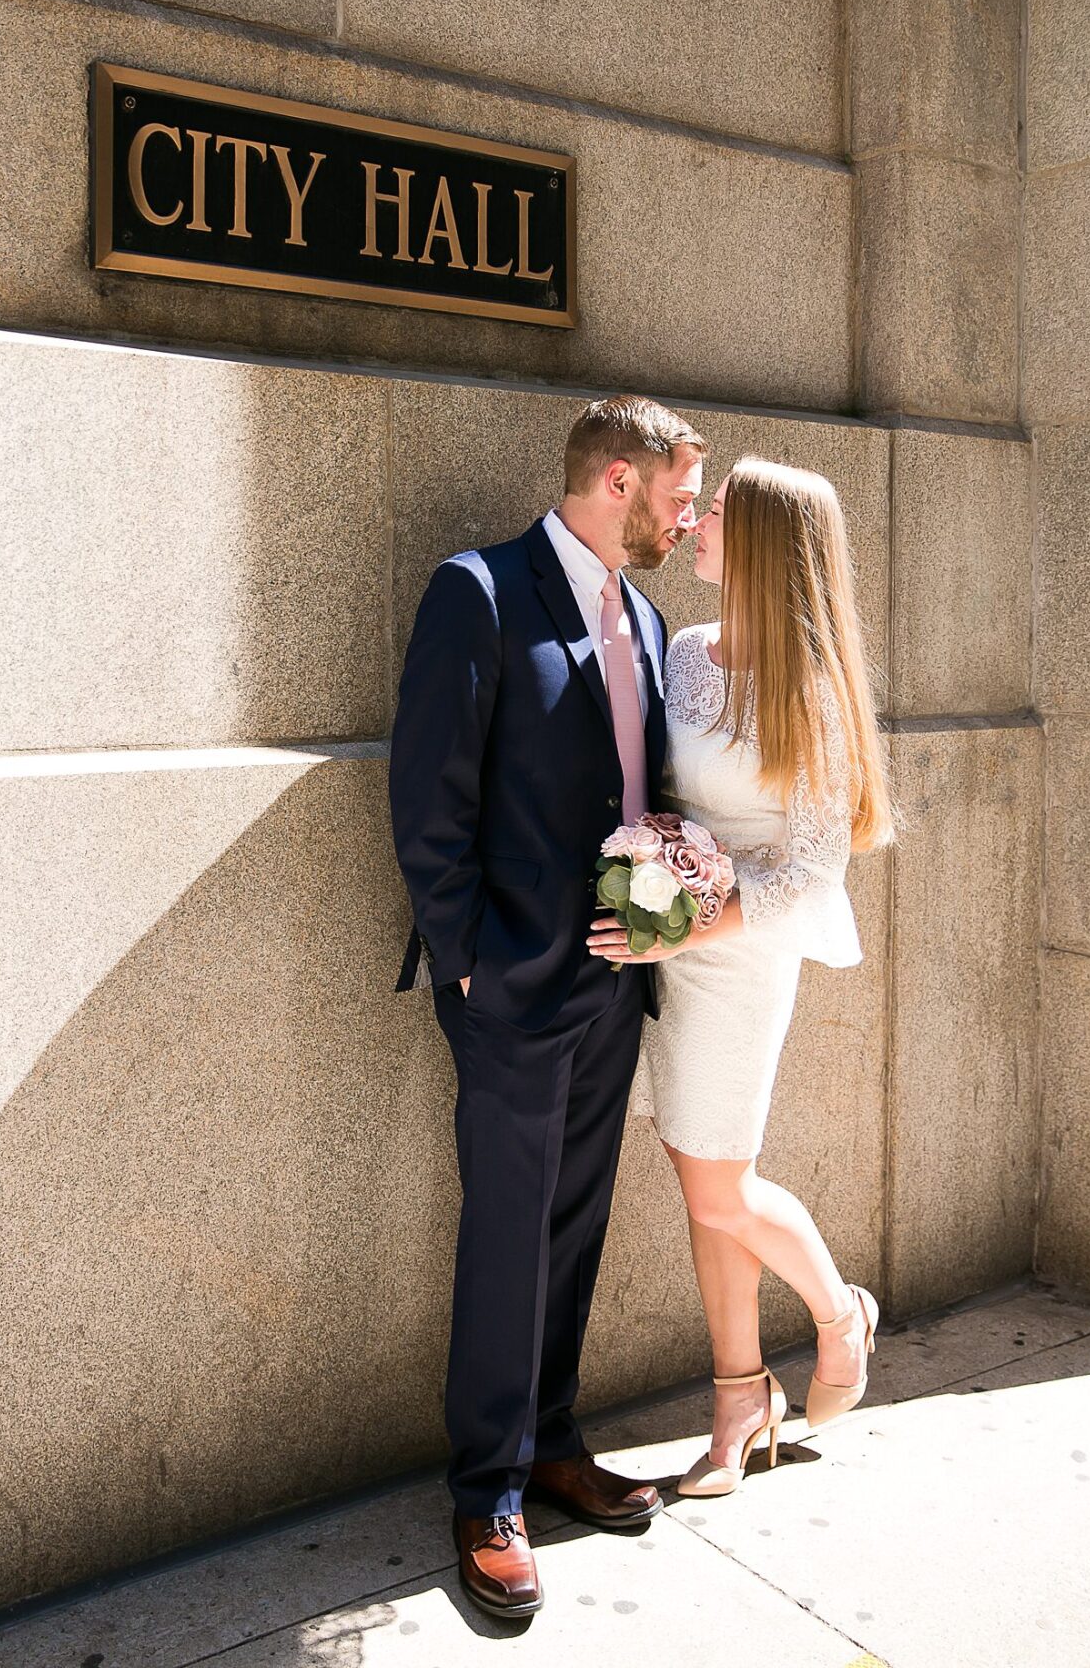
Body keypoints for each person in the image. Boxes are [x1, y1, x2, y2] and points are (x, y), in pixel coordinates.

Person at [389, 395, 705, 1619]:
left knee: (573, 1226)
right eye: (678, 493)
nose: (686, 515)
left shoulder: (647, 611)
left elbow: (641, 783)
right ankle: (488, 1489)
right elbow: (429, 791)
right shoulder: (479, 589)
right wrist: (468, 958)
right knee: (509, 1231)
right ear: (617, 479)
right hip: (511, 983)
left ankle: (553, 1436)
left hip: (620, 981)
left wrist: (671, 899)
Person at [589, 456, 893, 1496]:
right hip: (669, 942)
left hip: (742, 951)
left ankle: (837, 1309)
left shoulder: (812, 690)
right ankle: (739, 1392)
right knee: (696, 1173)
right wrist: (655, 876)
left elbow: (810, 868)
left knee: (722, 1177)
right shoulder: (684, 648)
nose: (697, 520)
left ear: (761, 541)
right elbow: (663, 787)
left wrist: (692, 923)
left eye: (716, 512)